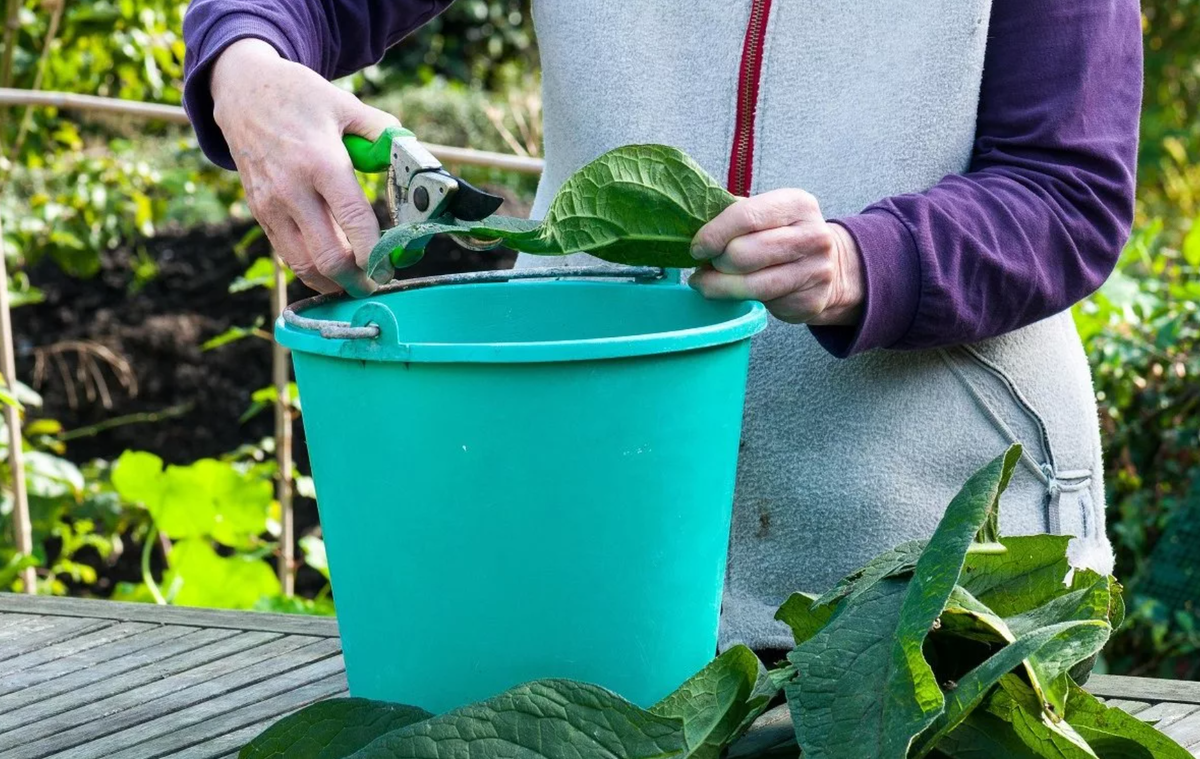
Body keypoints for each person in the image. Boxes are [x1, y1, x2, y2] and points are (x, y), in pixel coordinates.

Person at [183, 1, 1143, 655]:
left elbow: (1069, 188)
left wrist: (862, 262)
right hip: (589, 544)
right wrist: (247, 68)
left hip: (940, 575)